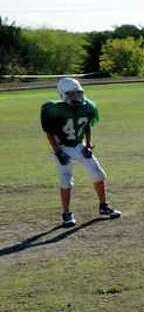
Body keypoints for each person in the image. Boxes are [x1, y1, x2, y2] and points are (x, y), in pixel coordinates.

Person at [40, 77, 121, 227]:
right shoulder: (53, 109)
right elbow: (49, 132)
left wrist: (88, 145)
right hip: (62, 146)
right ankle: (66, 214)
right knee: (66, 180)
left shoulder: (88, 106)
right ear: (63, 94)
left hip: (79, 145)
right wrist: (57, 151)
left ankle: (104, 206)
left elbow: (87, 126)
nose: (76, 96)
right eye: (71, 94)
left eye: (78, 93)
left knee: (98, 174)